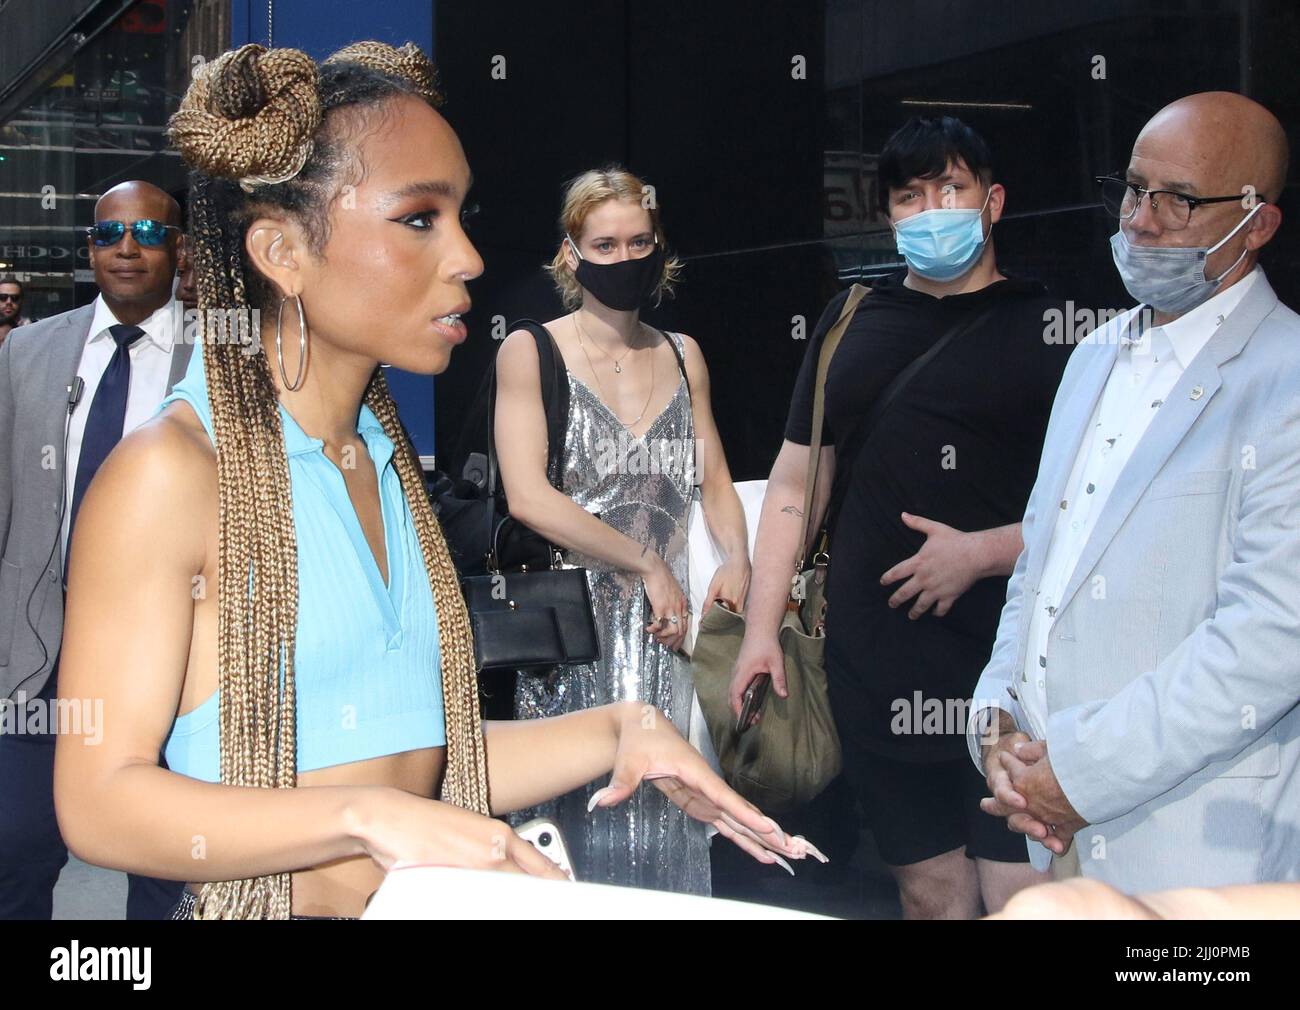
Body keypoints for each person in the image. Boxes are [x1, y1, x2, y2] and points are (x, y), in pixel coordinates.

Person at [51, 41, 811, 920]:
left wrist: (622, 728)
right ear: (282, 251)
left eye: (461, 214)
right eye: (419, 218)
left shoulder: (384, 464)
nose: (469, 257)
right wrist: (370, 818)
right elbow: (99, 802)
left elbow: (414, 762)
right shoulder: (170, 474)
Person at [730, 117, 1073, 918]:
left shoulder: (1054, 328)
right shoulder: (849, 319)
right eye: (909, 197)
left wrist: (984, 552)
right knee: (929, 892)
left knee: (1020, 894)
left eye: (950, 189)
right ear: (887, 216)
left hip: (1012, 662)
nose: (930, 210)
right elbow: (797, 480)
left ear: (992, 201)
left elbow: (1099, 503)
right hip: (876, 661)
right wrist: (760, 628)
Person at [970, 92, 1300, 894]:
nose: (1141, 221)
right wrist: (999, 723)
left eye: (1179, 200)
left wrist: (1079, 775)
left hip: (1202, 853)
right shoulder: (1092, 355)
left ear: (1258, 224)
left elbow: (1269, 641)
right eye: (1133, 189)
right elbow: (1040, 569)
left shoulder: (1287, 377)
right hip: (1054, 830)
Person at [494, 167, 752, 895]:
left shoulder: (684, 355)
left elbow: (714, 479)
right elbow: (529, 498)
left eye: (640, 242)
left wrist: (739, 558)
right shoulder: (530, 351)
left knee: (668, 828)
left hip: (668, 641)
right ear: (570, 254)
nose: (624, 258)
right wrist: (646, 563)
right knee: (570, 838)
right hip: (568, 643)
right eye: (604, 245)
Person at [0, 182, 192, 919]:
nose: (127, 247)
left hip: (174, 645)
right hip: (40, 645)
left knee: (169, 859)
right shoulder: (28, 351)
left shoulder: (224, 356)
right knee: (16, 842)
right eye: (108, 233)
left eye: (149, 231)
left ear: (179, 248)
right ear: (89, 247)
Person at [0, 277, 31, 346]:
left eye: (14, 297)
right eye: (3, 297)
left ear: (22, 300)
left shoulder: (32, 329)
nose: (9, 302)